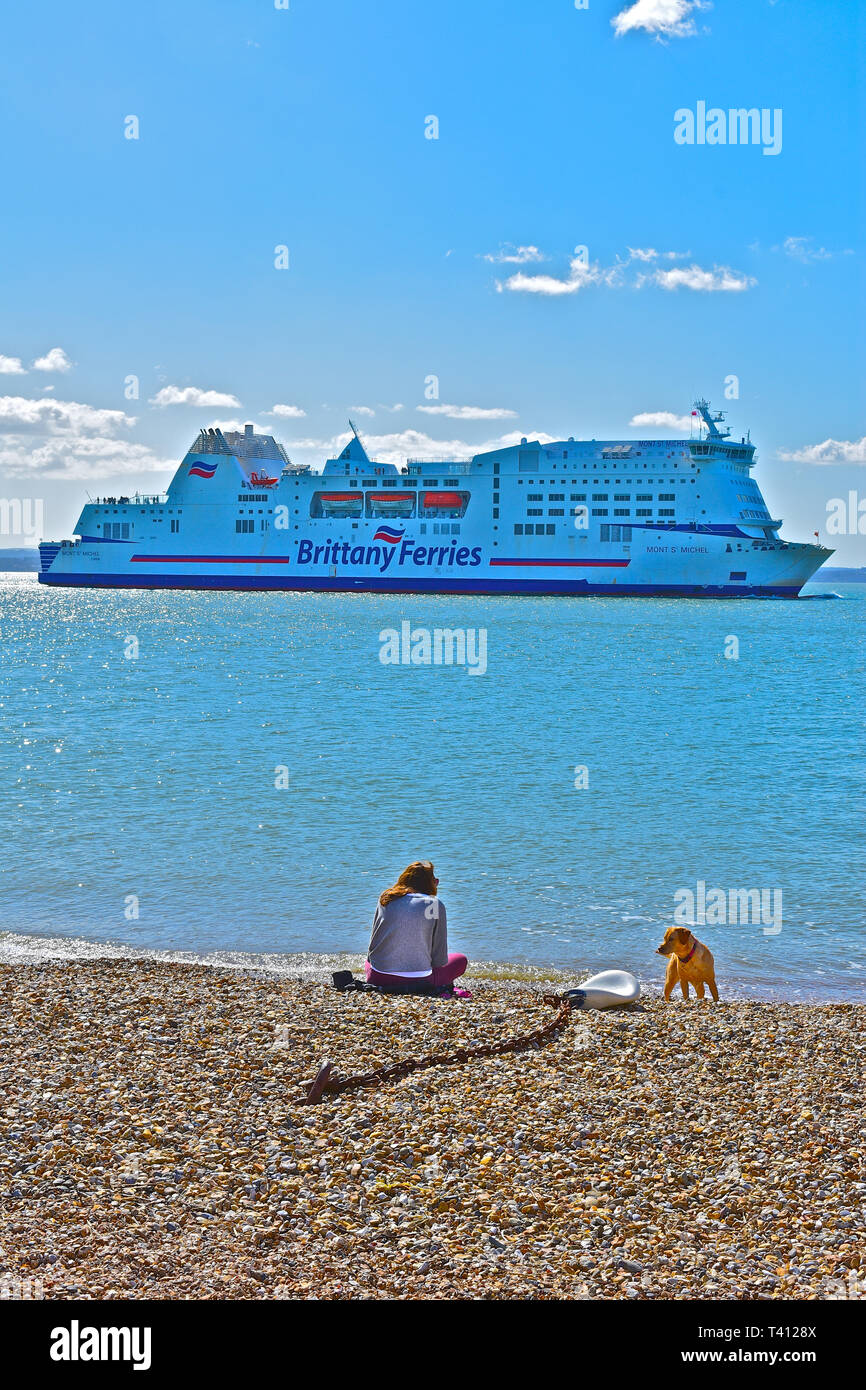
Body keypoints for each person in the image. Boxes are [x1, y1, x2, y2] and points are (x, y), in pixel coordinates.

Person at [366, 861, 469, 995]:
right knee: (460, 960)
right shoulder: (433, 904)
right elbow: (439, 960)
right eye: (435, 880)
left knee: (370, 962)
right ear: (430, 883)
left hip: (377, 977)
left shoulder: (386, 898)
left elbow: (372, 948)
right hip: (418, 980)